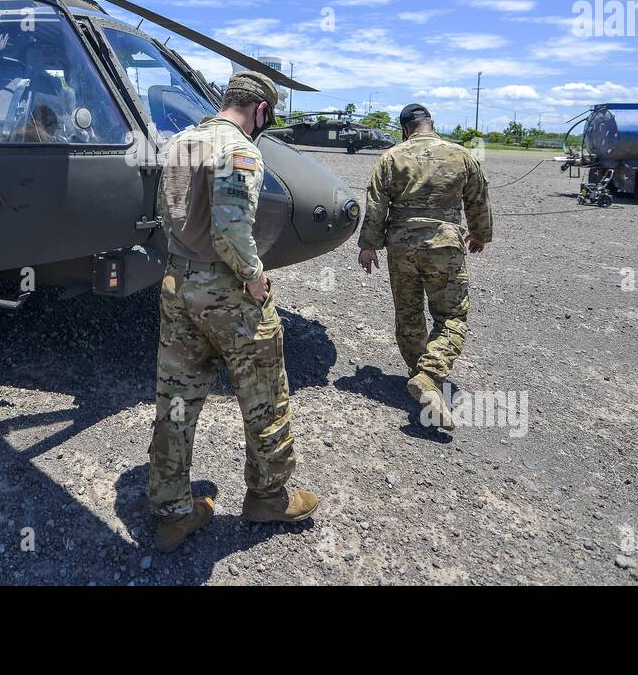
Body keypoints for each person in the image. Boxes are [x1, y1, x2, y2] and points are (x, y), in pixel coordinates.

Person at [147, 71, 318, 553]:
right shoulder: (240, 150)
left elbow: (166, 213)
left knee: (175, 400)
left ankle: (171, 511)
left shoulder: (180, 142)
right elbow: (230, 227)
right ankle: (268, 498)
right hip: (227, 293)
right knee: (265, 395)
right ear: (260, 109)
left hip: (178, 284)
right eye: (270, 116)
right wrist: (254, 276)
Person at [356, 104, 492, 429]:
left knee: (409, 314)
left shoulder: (391, 158)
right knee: (452, 316)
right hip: (444, 244)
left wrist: (368, 245)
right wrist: (480, 234)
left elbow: (376, 203)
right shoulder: (461, 155)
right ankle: (429, 375)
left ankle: (420, 376)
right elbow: (478, 198)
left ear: (404, 129)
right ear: (431, 124)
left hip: (401, 246)